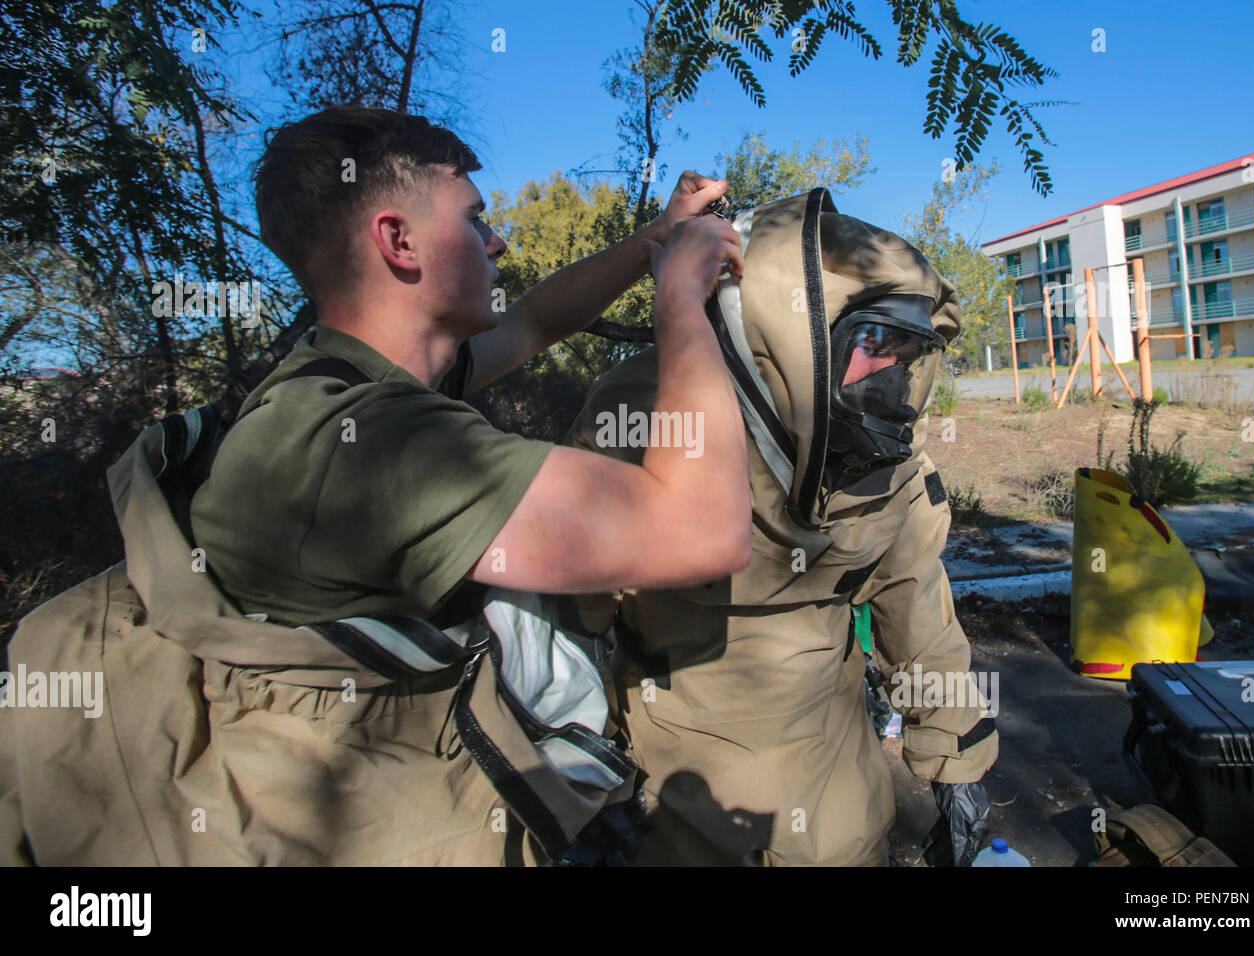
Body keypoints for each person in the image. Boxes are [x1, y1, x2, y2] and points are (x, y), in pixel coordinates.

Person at [0, 107, 752, 866]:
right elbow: (701, 530)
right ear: (398, 240)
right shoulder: (360, 443)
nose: (498, 241)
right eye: (475, 219)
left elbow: (528, 323)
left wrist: (656, 238)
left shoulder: (334, 378)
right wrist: (680, 300)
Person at [568, 188, 998, 866]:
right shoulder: (644, 414)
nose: (892, 372)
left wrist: (958, 756)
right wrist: (580, 775)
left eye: (908, 353)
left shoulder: (884, 457)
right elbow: (570, 622)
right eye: (875, 341)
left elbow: (914, 603)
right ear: (790, 332)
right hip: (677, 800)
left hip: (837, 801)